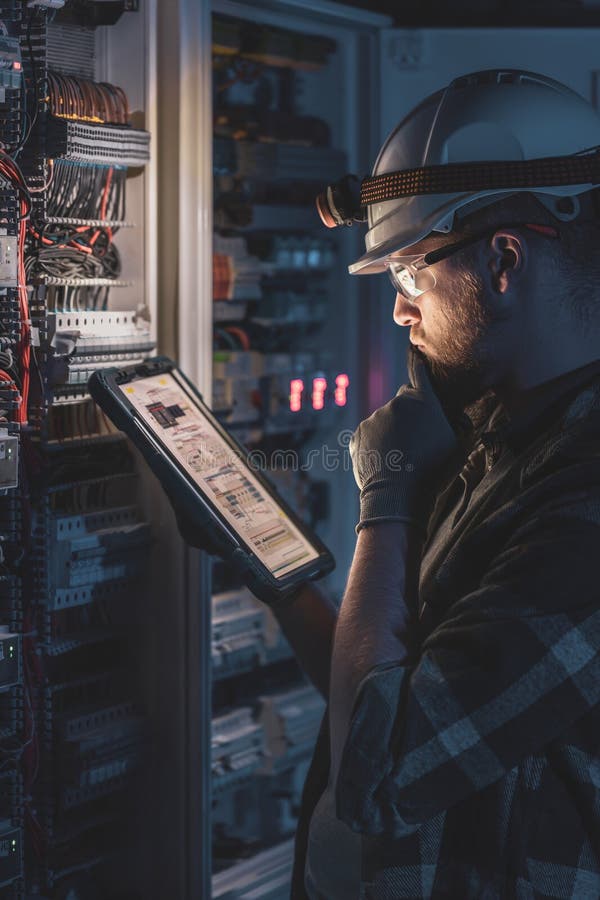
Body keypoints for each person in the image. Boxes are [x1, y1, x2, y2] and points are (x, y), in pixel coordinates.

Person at [175, 69, 600, 899]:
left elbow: (384, 771)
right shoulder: (505, 439)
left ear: (504, 260)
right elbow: (383, 691)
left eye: (410, 275)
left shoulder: (584, 502)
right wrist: (281, 579)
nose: (401, 313)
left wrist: (389, 492)